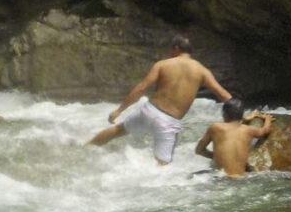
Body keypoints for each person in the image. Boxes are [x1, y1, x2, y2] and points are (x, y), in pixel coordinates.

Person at [88, 35, 232, 164]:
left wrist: (118, 111)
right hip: (168, 122)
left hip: (149, 111)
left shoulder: (163, 64)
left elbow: (141, 88)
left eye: (171, 50)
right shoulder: (202, 71)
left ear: (176, 49)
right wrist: (242, 117)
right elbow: (224, 95)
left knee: (117, 130)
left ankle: (87, 148)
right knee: (162, 165)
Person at [194, 98, 273, 176]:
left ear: (224, 115)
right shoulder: (249, 130)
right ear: (241, 115)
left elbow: (199, 150)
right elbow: (265, 131)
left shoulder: (215, 128)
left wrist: (218, 157)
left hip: (221, 178)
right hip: (241, 179)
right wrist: (267, 119)